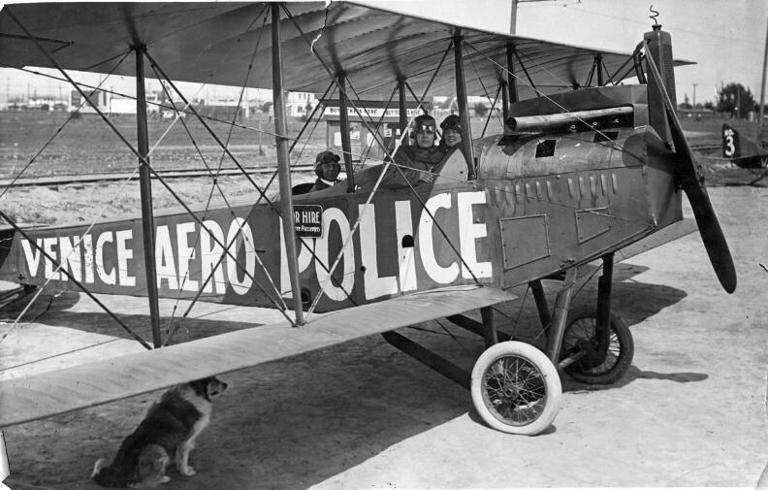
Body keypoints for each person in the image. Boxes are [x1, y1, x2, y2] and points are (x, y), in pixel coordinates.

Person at [381, 114, 446, 189]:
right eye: (421, 132)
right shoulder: (401, 154)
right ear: (414, 135)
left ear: (434, 135)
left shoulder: (443, 154)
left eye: (429, 132)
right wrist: (417, 176)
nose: (425, 136)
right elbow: (387, 177)